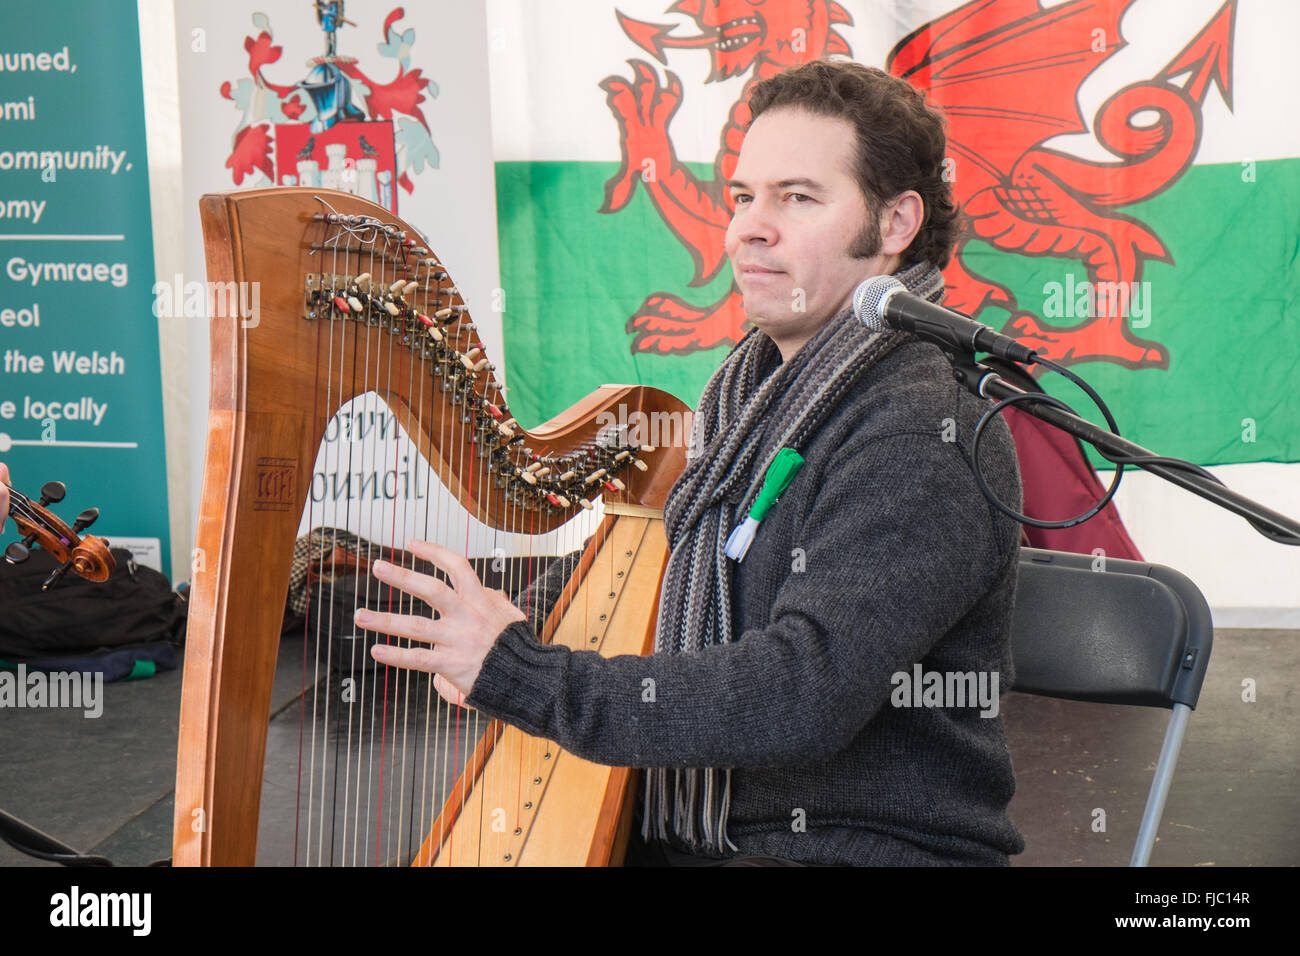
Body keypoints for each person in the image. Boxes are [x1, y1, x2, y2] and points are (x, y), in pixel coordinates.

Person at [357, 60, 1025, 866]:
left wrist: (527, 675)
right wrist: (484, 617)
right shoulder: (754, 392)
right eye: (744, 197)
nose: (749, 226)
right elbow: (703, 568)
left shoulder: (922, 423)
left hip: (857, 847)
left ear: (894, 224)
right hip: (717, 838)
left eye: (798, 197)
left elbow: (801, 696)